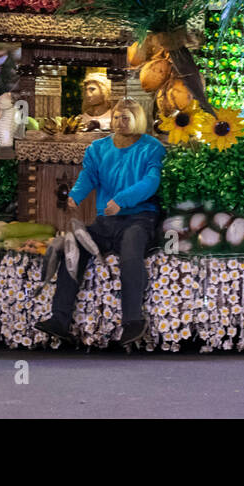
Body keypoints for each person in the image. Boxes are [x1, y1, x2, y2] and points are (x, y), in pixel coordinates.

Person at [35, 99, 165, 346]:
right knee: (73, 247)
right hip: (107, 220)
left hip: (140, 217)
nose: (120, 122)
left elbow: (151, 181)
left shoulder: (152, 147)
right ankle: (59, 319)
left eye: (126, 117)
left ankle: (133, 322)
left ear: (138, 119)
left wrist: (123, 200)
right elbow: (89, 175)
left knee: (131, 252)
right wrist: (76, 194)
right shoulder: (98, 148)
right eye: (116, 117)